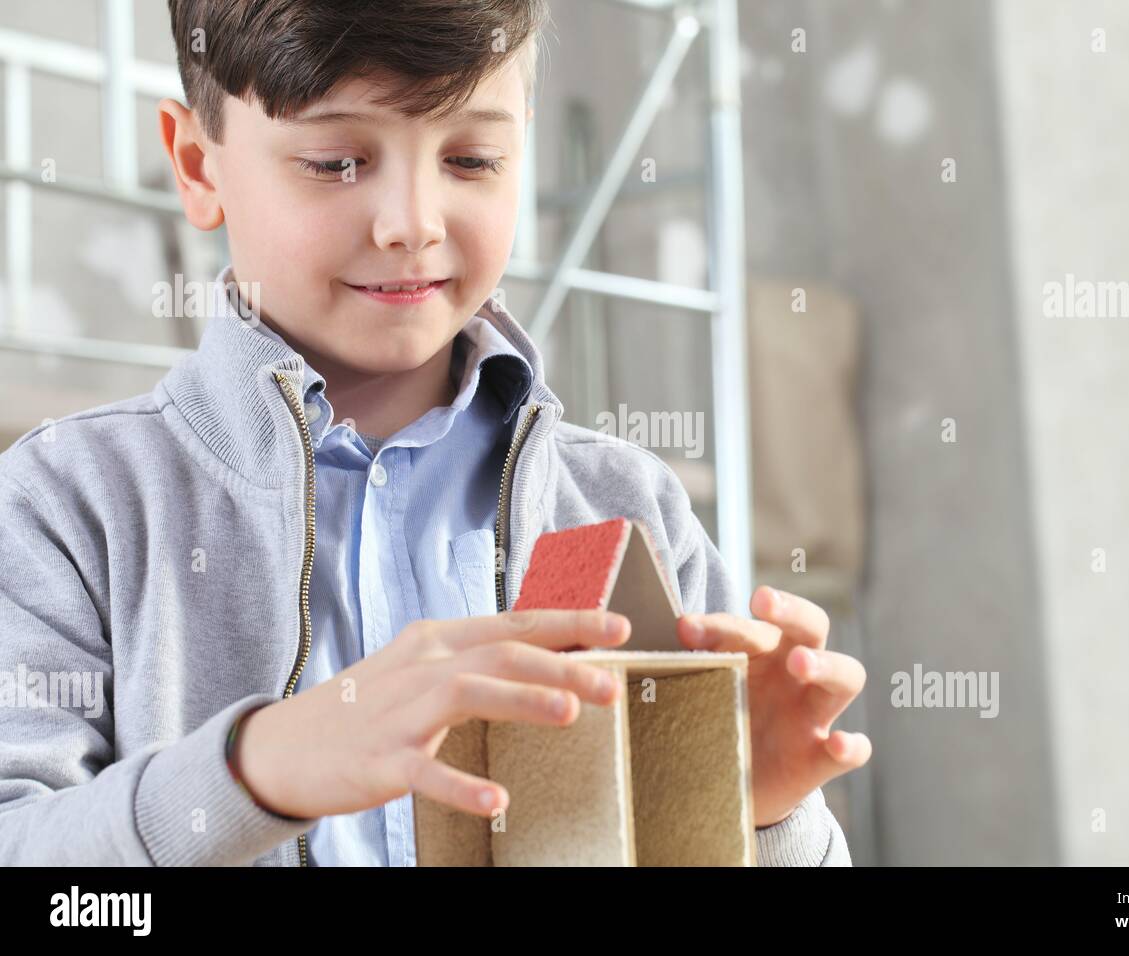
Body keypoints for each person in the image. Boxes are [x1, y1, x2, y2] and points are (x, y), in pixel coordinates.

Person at [0, 0, 869, 866]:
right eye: (336, 161)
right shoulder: (66, 505)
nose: (411, 223)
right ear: (197, 164)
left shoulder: (628, 505)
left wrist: (755, 812)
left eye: (472, 158)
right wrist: (257, 770)